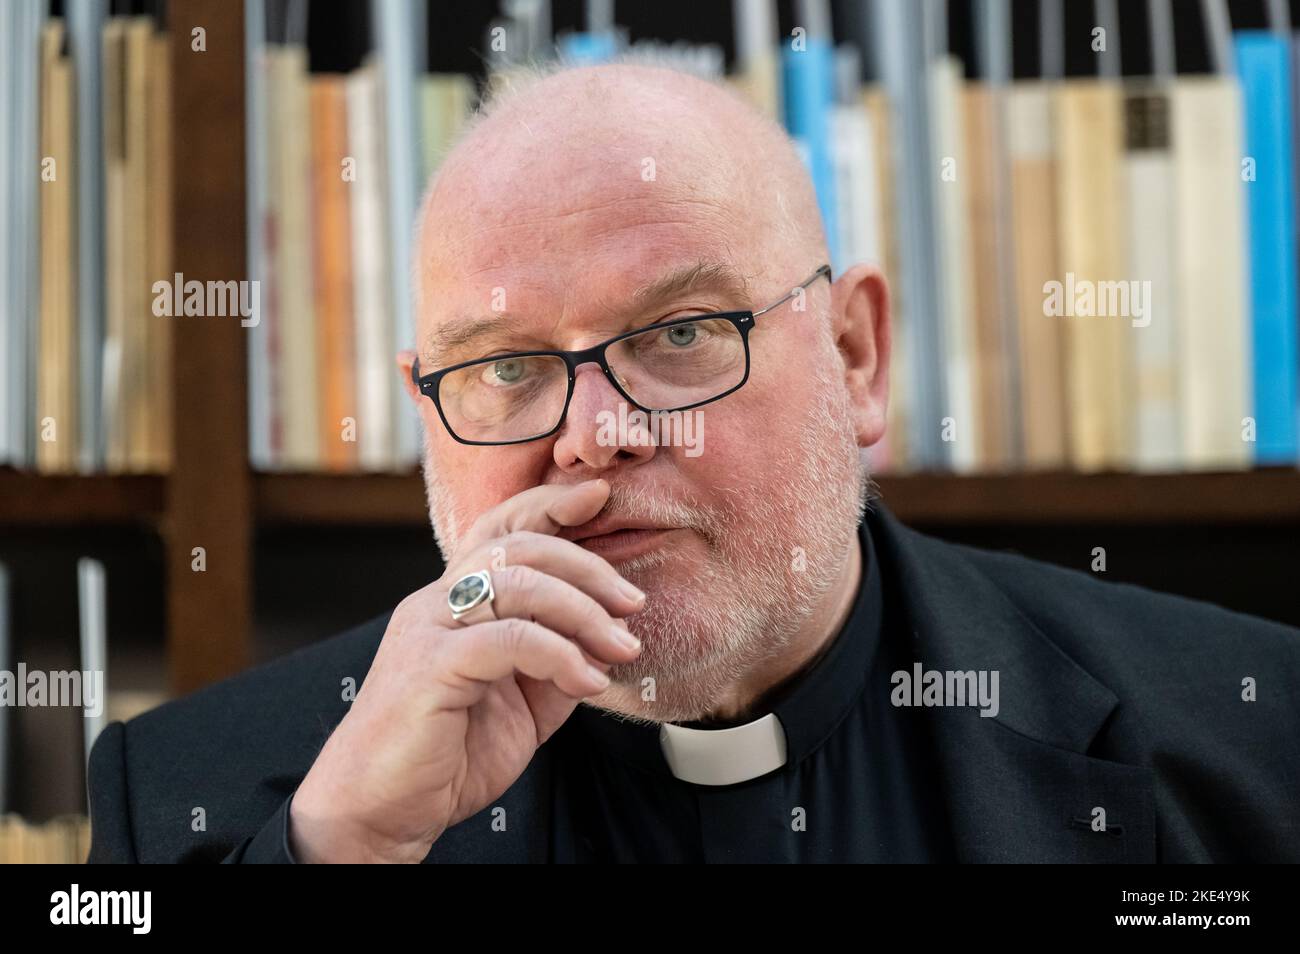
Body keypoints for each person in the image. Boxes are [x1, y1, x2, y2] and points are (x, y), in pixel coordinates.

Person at [87, 60, 1300, 863]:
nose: (594, 432)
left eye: (677, 336)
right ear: (427, 411)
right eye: (506, 366)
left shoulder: (1252, 734)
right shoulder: (200, 796)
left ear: (853, 354)